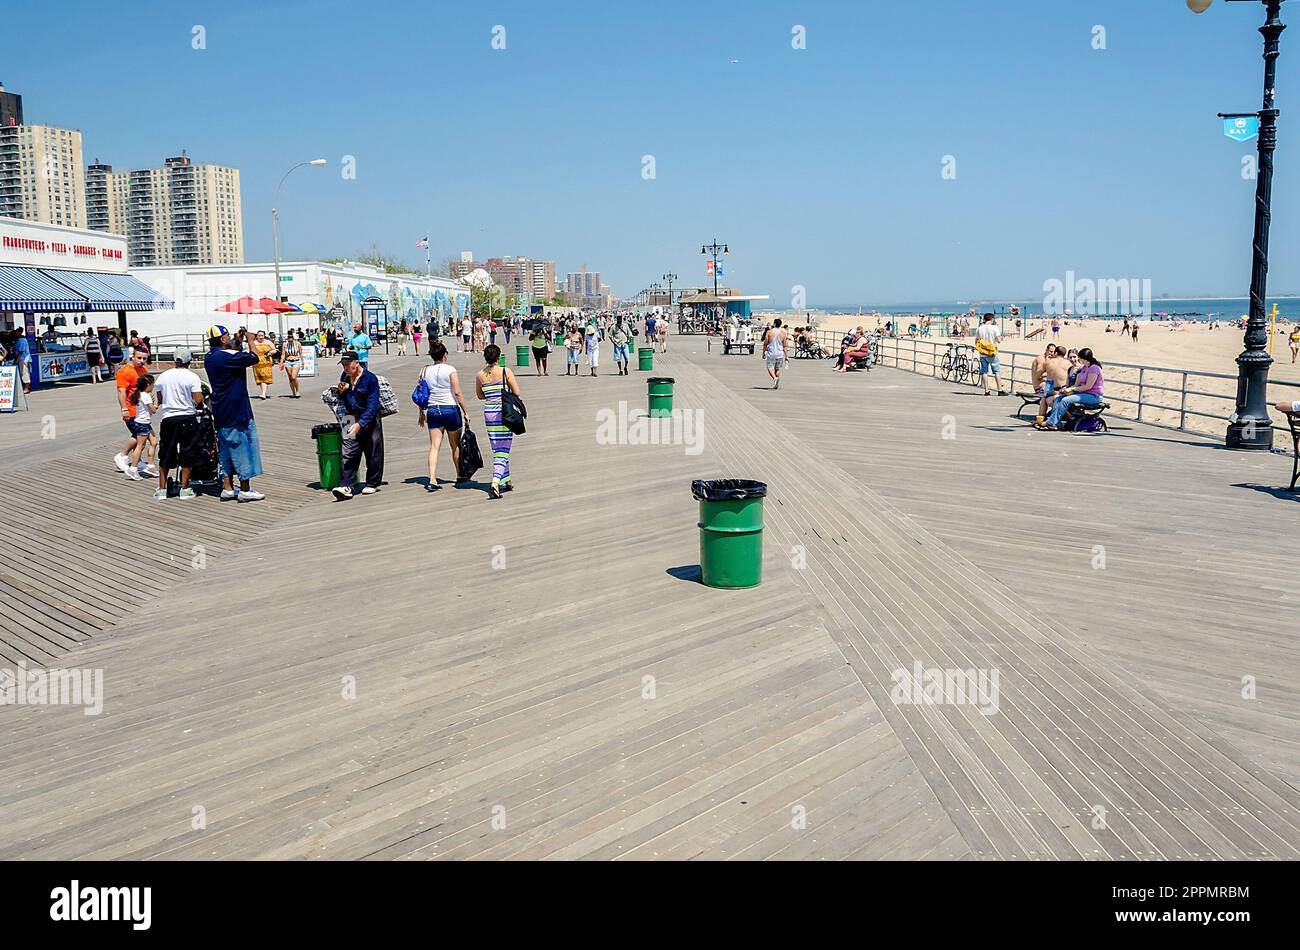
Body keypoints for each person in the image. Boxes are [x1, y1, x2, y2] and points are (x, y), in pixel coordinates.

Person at [204, 326, 266, 502]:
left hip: (221, 408)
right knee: (241, 447)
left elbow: (232, 354)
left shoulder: (210, 357)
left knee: (225, 448)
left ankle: (228, 487)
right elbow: (253, 358)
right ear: (223, 340)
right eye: (227, 336)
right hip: (236, 408)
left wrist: (238, 341)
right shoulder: (226, 356)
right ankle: (245, 489)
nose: (230, 338)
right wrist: (250, 340)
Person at [153, 348, 204, 501]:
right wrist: (200, 407)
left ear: (175, 360)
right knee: (188, 452)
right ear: (189, 361)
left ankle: (161, 489)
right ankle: (185, 488)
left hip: (169, 418)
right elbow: (198, 400)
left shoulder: (163, 376)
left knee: (166, 452)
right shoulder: (192, 377)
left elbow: (160, 398)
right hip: (187, 417)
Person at [332, 351, 384, 500]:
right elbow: (344, 397)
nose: (346, 368)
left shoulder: (370, 379)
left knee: (373, 449)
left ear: (357, 363)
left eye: (348, 365)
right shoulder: (345, 377)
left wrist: (361, 424)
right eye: (343, 365)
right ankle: (346, 484)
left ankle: (372, 483)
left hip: (368, 418)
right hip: (349, 417)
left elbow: (373, 405)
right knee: (348, 451)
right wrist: (342, 392)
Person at [417, 341, 468, 492]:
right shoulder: (450, 369)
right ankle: (460, 475)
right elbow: (457, 392)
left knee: (434, 446)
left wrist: (421, 413)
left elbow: (421, 395)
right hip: (450, 409)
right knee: (455, 445)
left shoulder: (424, 371)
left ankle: (432, 479)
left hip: (433, 410)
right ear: (445, 355)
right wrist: (465, 411)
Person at [476, 344, 521, 500]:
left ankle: (506, 480)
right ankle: (495, 483)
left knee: (498, 448)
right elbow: (516, 392)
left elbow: (480, 396)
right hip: (504, 413)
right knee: (503, 449)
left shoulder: (480, 375)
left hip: (489, 413)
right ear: (498, 357)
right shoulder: (505, 371)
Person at [1040, 348, 1104, 431]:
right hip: (1084, 393)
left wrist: (1073, 389)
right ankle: (1055, 423)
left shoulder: (1094, 368)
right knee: (1058, 398)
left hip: (1094, 396)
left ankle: (1051, 422)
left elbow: (1088, 386)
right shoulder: (1085, 367)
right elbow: (1077, 384)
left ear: (1084, 358)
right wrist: (1067, 389)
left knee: (1066, 400)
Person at [114, 349, 151, 475]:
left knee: (144, 436)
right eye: (139, 358)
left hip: (141, 410)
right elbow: (121, 391)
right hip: (131, 410)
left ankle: (138, 460)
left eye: (144, 359)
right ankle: (122, 455)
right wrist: (124, 409)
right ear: (133, 357)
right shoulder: (125, 371)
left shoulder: (144, 370)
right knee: (139, 435)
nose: (142, 361)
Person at [125, 373, 159, 479]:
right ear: (148, 384)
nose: (153, 386)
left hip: (144, 422)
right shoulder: (146, 395)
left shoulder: (140, 394)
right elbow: (153, 410)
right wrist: (157, 404)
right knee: (140, 446)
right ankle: (133, 469)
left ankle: (150, 465)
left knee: (154, 442)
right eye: (152, 384)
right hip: (142, 423)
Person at [975, 313, 1006, 396]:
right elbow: (999, 340)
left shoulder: (980, 328)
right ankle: (1000, 390)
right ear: (992, 320)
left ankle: (986, 390)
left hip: (983, 353)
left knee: (984, 372)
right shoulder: (994, 328)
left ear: (984, 319)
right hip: (992, 352)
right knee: (996, 371)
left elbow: (976, 341)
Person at [762, 318, 790, 389]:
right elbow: (785, 345)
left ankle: (775, 378)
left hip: (771, 353)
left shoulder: (769, 332)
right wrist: (786, 356)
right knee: (777, 369)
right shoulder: (783, 333)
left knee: (770, 367)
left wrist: (763, 352)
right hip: (780, 353)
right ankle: (776, 383)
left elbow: (765, 343)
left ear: (774, 324)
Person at [251, 329, 275, 399]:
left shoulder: (268, 342)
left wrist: (270, 353)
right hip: (257, 362)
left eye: (262, 335)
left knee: (264, 376)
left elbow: (274, 350)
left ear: (264, 336)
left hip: (266, 361)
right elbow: (249, 351)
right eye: (259, 335)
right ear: (257, 336)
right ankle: (263, 392)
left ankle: (263, 393)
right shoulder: (254, 343)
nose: (261, 337)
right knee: (259, 377)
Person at [280, 329, 303, 398]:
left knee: (293, 377)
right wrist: (281, 362)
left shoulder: (297, 344)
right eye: (289, 338)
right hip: (288, 361)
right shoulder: (285, 344)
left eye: (291, 338)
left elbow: (301, 353)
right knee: (290, 377)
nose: (290, 340)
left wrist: (302, 362)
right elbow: (283, 354)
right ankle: (293, 392)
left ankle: (297, 391)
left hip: (296, 361)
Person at [12, 329, 31, 394]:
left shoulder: (22, 340)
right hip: (20, 359)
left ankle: (26, 388)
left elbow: (21, 351)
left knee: (24, 373)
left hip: (23, 359)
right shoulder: (18, 340)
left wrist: (16, 360)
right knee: (21, 373)